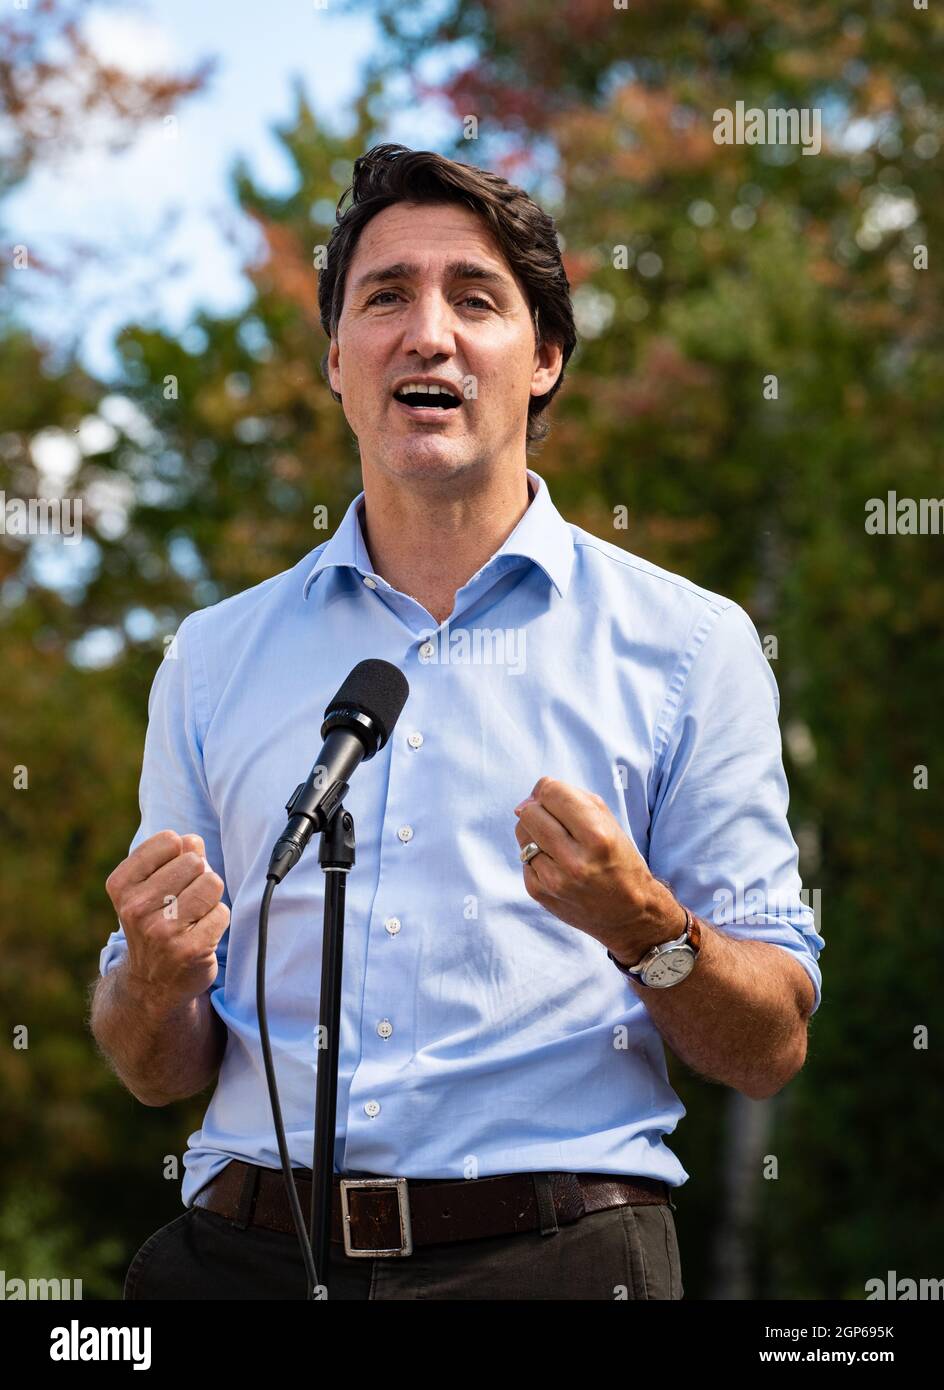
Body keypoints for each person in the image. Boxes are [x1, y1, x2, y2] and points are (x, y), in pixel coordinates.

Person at [90, 143, 824, 1301]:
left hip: (560, 1262)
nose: (425, 332)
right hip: (240, 1259)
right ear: (338, 360)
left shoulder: (688, 645)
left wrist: (644, 925)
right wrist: (148, 979)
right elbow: (155, 1068)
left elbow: (769, 1044)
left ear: (541, 360)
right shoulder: (211, 659)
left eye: (473, 298)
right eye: (384, 296)